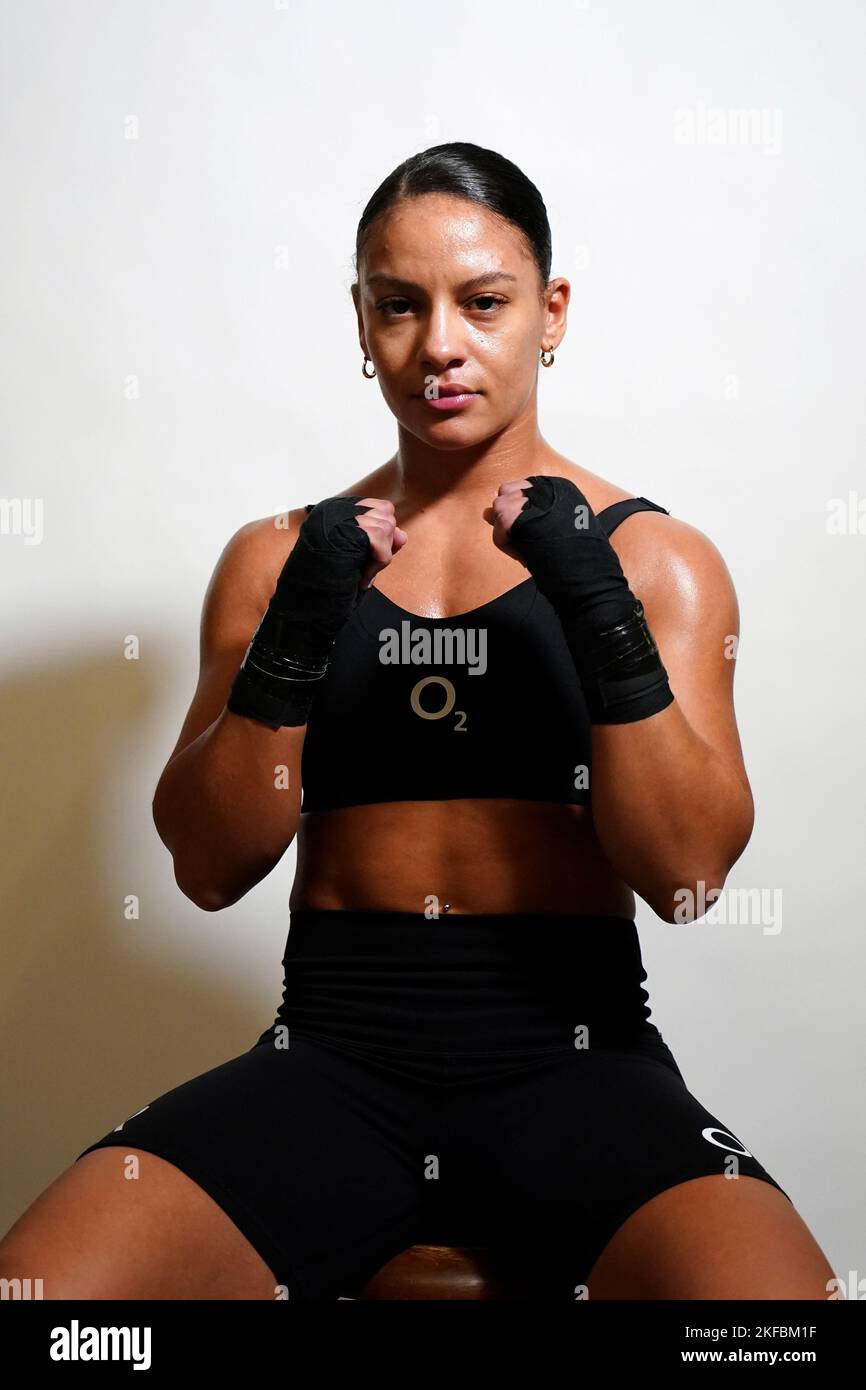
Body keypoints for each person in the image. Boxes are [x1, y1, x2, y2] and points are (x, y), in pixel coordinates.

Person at [0, 142, 835, 1300]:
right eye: (398, 305)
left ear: (548, 312)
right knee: (43, 1303)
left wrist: (593, 604)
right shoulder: (279, 558)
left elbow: (686, 872)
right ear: (360, 322)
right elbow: (205, 865)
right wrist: (296, 634)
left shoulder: (654, 561)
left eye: (481, 302)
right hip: (331, 1058)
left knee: (777, 1325)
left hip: (575, 1059)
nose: (437, 343)